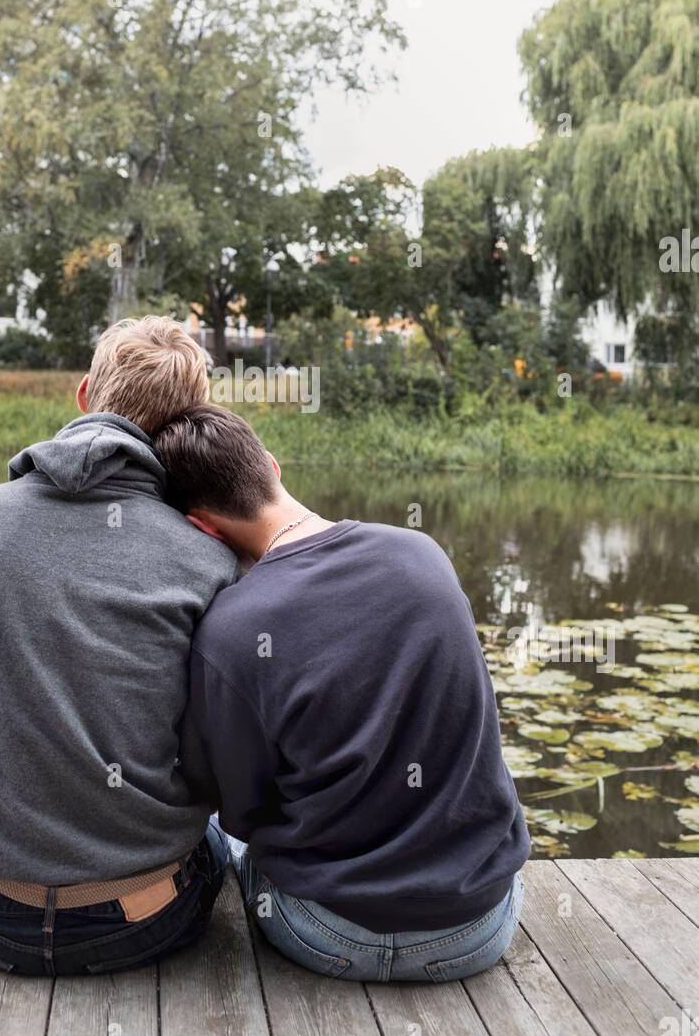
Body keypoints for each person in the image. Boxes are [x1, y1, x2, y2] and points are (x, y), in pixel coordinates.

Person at [154, 404, 530, 983]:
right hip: (472, 931)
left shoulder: (228, 631)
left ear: (202, 525)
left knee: (217, 832)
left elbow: (245, 812)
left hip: (320, 931)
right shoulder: (422, 555)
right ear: (272, 466)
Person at [0, 317, 237, 977]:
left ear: (84, 394)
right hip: (146, 921)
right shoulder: (209, 559)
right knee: (223, 838)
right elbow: (217, 770)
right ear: (189, 424)